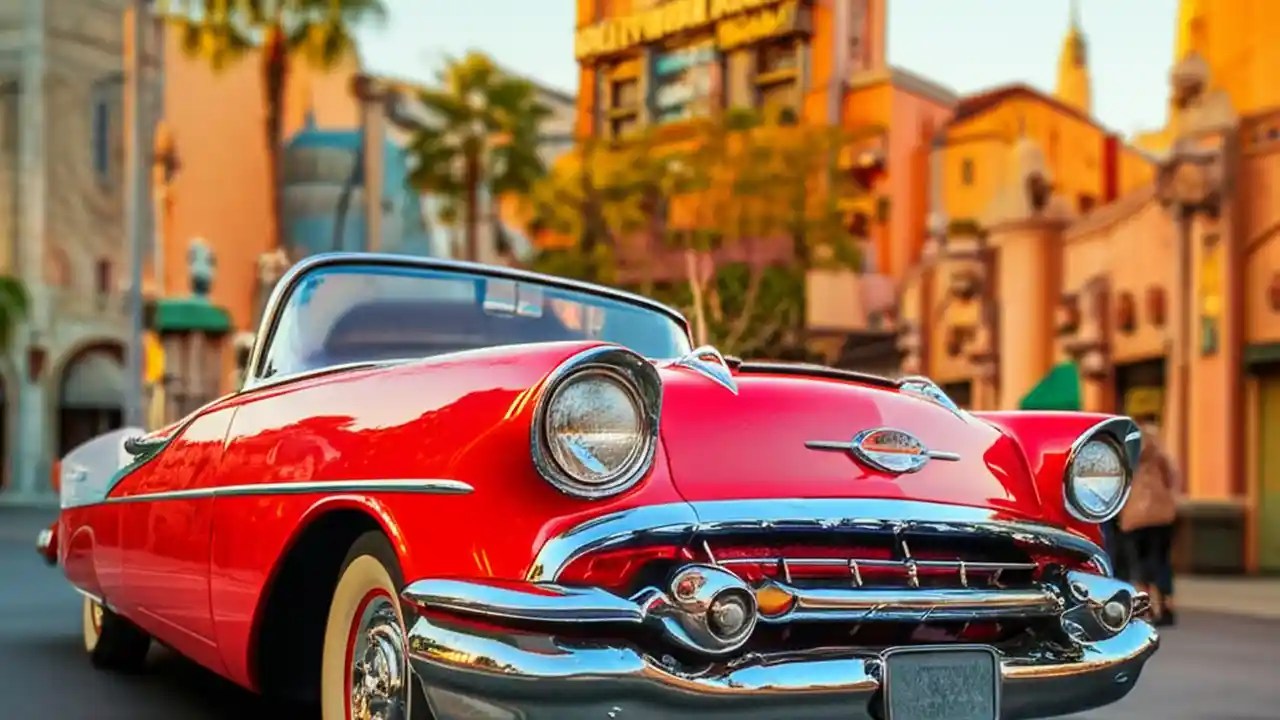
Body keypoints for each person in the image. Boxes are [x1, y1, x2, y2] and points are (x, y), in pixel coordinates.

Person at [1119, 423, 1180, 626]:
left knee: (1139, 564)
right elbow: (1173, 480)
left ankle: (1147, 608)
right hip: (1162, 516)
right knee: (1162, 563)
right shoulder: (1161, 457)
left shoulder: (1128, 460)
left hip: (1134, 518)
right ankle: (1167, 606)